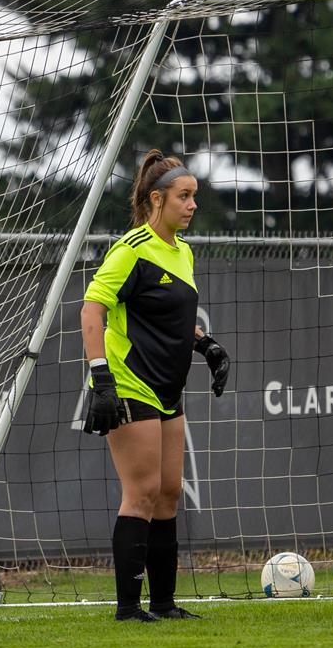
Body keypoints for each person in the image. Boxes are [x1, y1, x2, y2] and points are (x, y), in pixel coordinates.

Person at [80, 150, 232, 622]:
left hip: (169, 388)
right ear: (156, 199)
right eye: (184, 197)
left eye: (194, 198)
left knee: (167, 494)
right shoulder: (131, 249)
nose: (191, 206)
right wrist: (101, 377)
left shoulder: (182, 252)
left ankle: (163, 604)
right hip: (129, 384)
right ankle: (128, 609)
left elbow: (170, 320)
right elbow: (91, 311)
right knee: (141, 493)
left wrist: (205, 346)